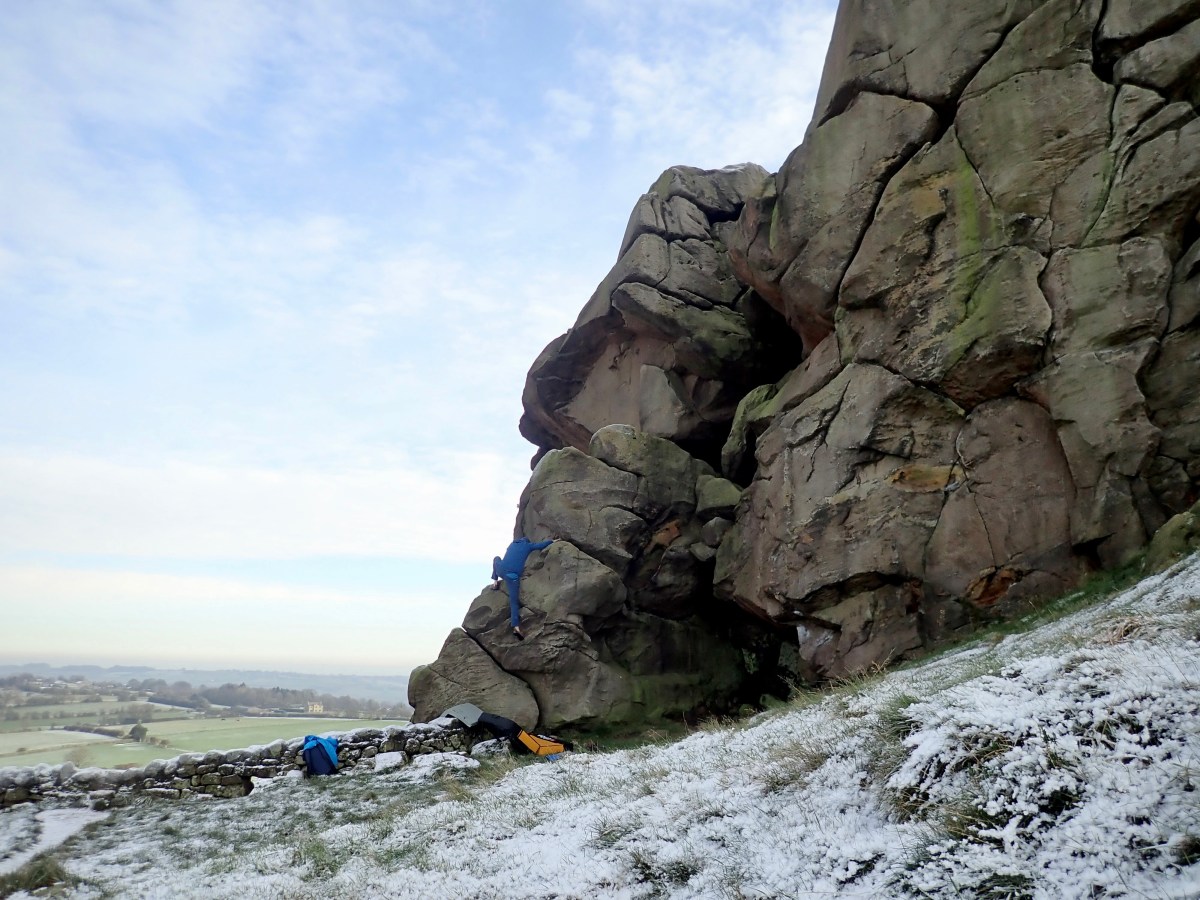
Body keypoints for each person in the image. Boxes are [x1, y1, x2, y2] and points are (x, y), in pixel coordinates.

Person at [491, 536, 554, 640]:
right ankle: (516, 627)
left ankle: (495, 581)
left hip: (501, 570)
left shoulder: (512, 544)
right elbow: (541, 545)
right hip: (512, 577)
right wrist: (552, 541)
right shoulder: (528, 546)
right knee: (514, 602)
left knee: (496, 558)